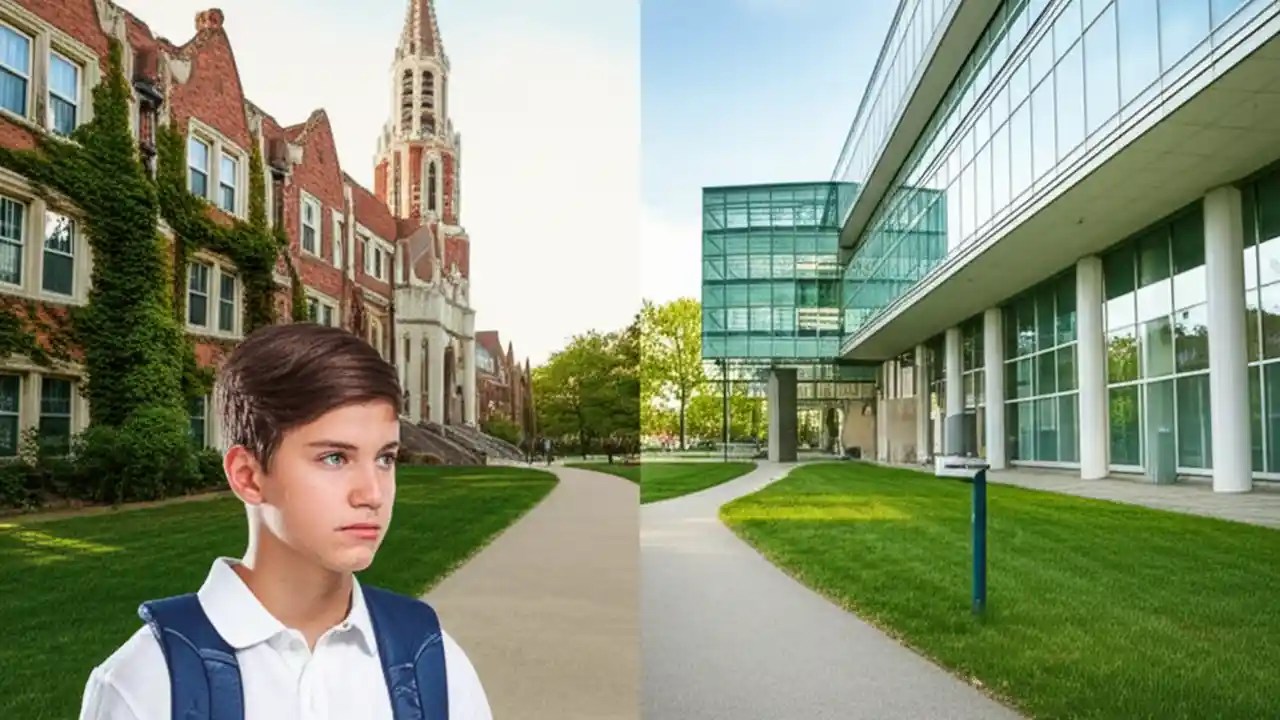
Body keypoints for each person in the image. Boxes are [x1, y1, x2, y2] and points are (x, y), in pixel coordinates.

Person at [77, 323, 492, 719]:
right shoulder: (146, 685)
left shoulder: (431, 662)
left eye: (385, 458)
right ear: (248, 476)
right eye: (335, 458)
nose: (373, 494)